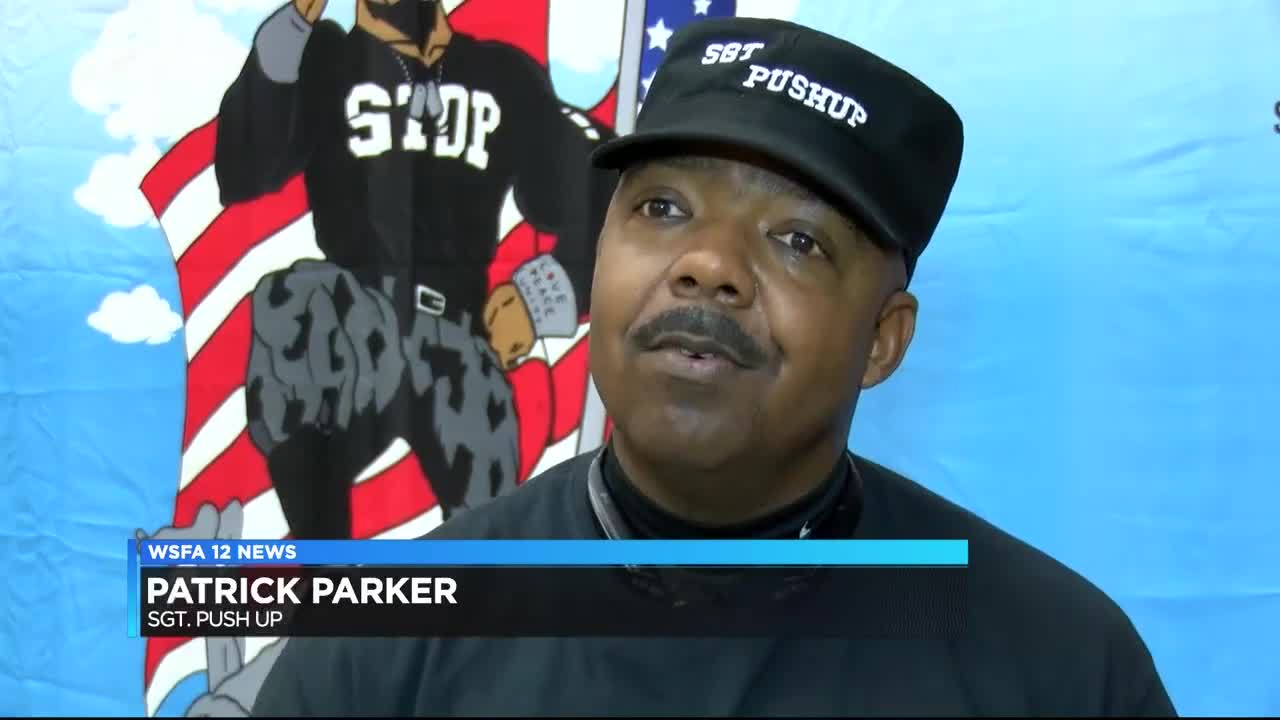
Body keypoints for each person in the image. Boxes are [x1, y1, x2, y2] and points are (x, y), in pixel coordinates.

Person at [252, 16, 1178, 717]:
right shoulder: (382, 646)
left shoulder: (1059, 667)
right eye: (662, 209)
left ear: (884, 340)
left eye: (798, 240)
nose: (708, 264)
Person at [214, 0, 618, 538]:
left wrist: (541, 297)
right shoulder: (325, 58)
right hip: (355, 327)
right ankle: (324, 570)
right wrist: (294, 25)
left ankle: (477, 578)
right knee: (297, 298)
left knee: (489, 541)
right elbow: (242, 171)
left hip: (459, 337)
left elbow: (611, 189)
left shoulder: (500, 74)